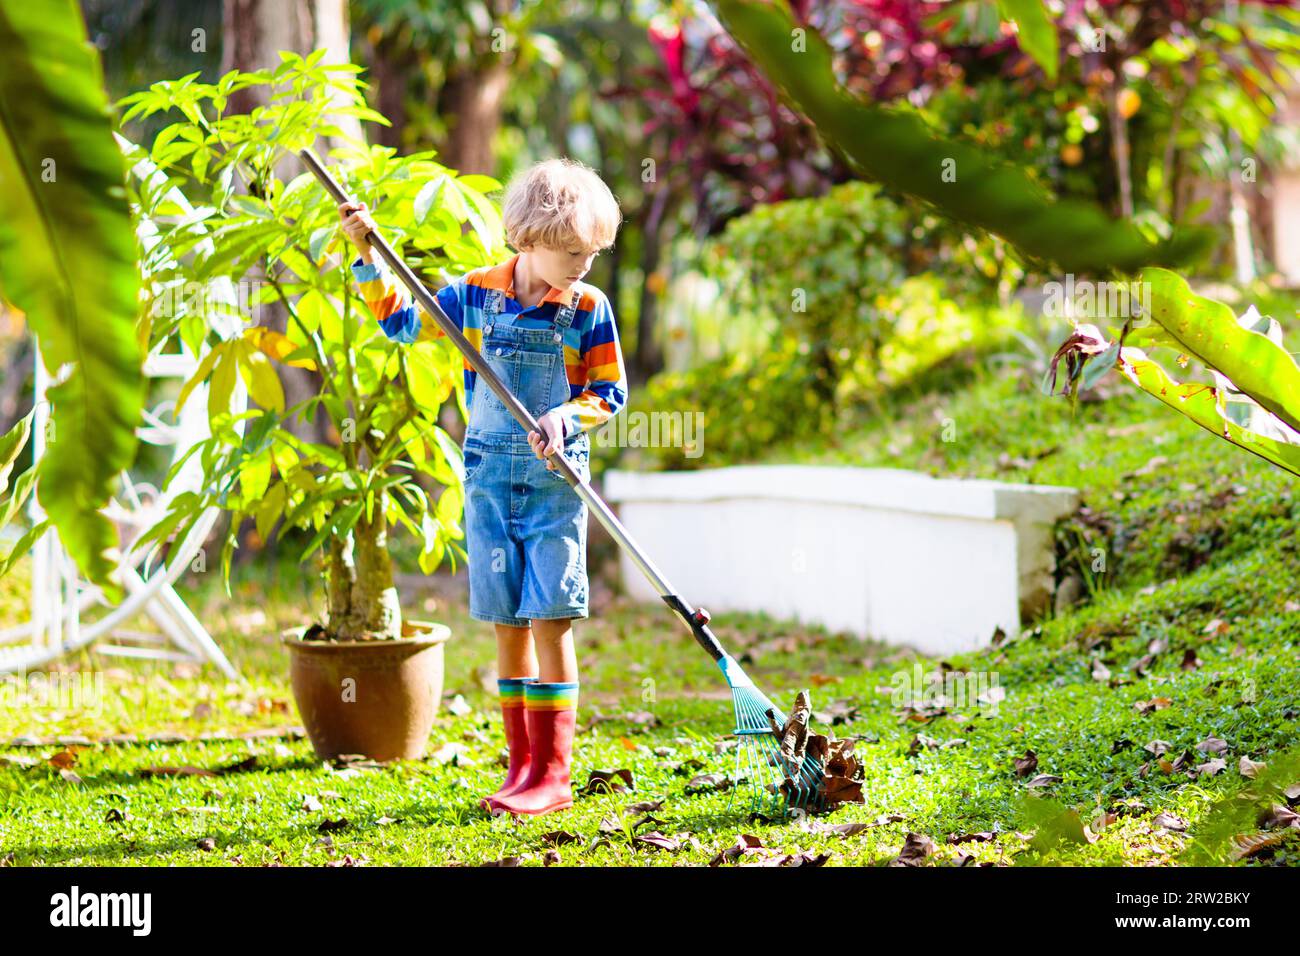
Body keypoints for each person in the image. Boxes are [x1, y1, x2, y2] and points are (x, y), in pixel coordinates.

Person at [338, 158, 627, 816]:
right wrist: (365, 255)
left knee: (549, 620)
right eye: (574, 251)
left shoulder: (587, 308)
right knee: (506, 625)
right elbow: (402, 325)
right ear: (528, 239)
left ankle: (554, 773)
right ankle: (522, 768)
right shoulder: (472, 295)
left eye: (593, 252)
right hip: (490, 484)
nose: (585, 264)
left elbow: (609, 392)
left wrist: (565, 416)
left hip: (553, 486)